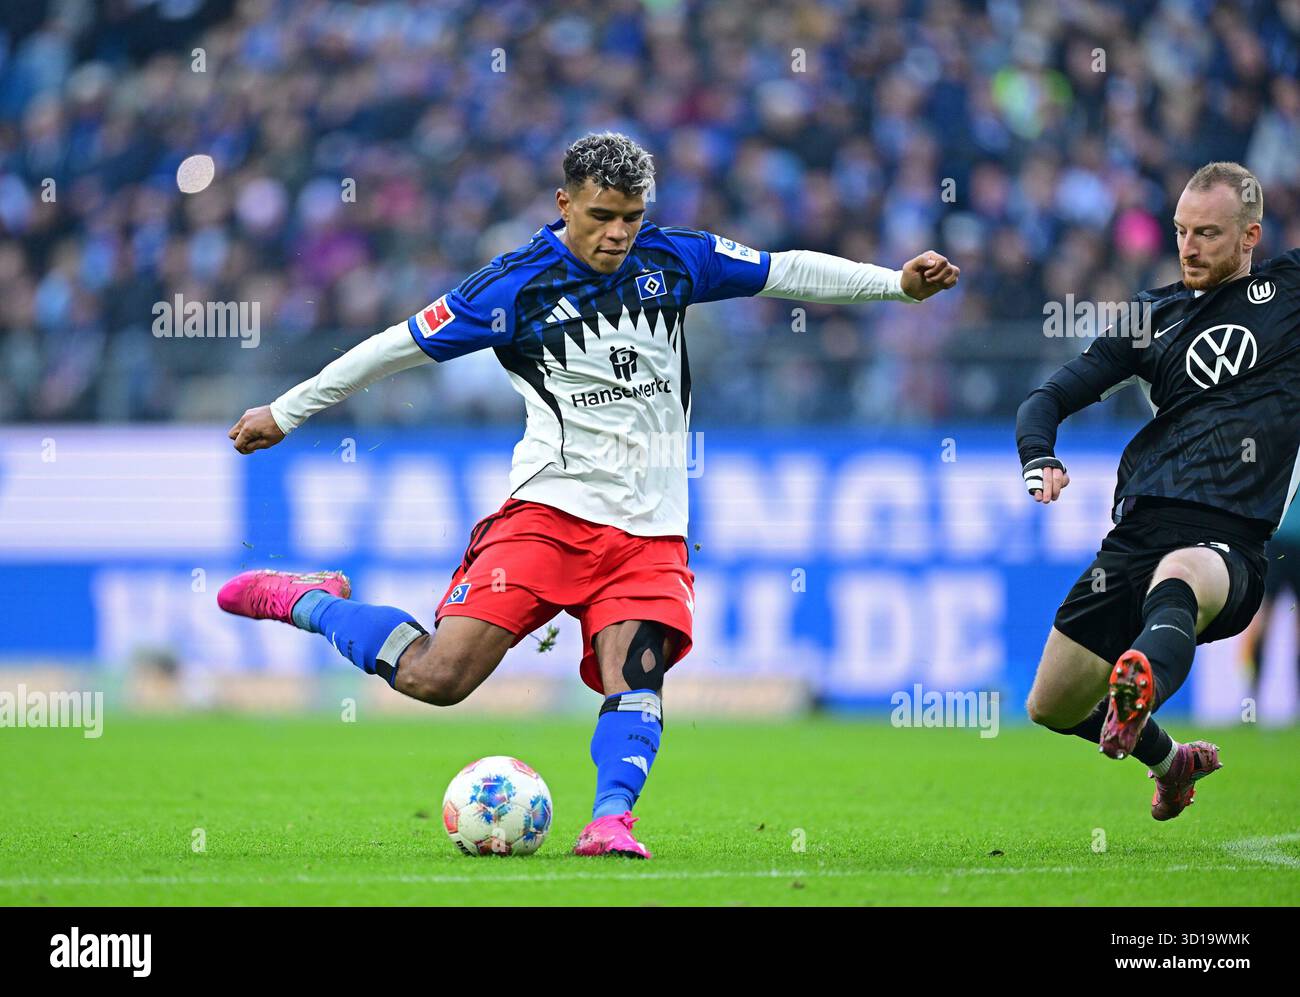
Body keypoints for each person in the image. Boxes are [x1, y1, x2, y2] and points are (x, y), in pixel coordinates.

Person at [218, 131, 960, 857]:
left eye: (631, 217)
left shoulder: (676, 259)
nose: (617, 234)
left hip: (649, 530)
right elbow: (398, 344)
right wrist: (286, 411)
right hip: (548, 516)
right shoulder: (514, 285)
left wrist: (895, 284)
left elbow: (784, 269)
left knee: (635, 680)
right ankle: (309, 599)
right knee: (438, 678)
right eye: (602, 216)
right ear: (563, 203)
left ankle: (610, 821)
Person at [1017, 161, 1300, 820]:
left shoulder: (1289, 293)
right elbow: (1052, 394)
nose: (1189, 246)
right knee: (1050, 703)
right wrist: (1039, 456)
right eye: (1180, 231)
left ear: (1250, 234)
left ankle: (1139, 677)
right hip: (1138, 527)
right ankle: (1172, 761)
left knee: (1180, 574)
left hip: (1229, 538)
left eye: (1207, 232)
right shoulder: (1153, 315)